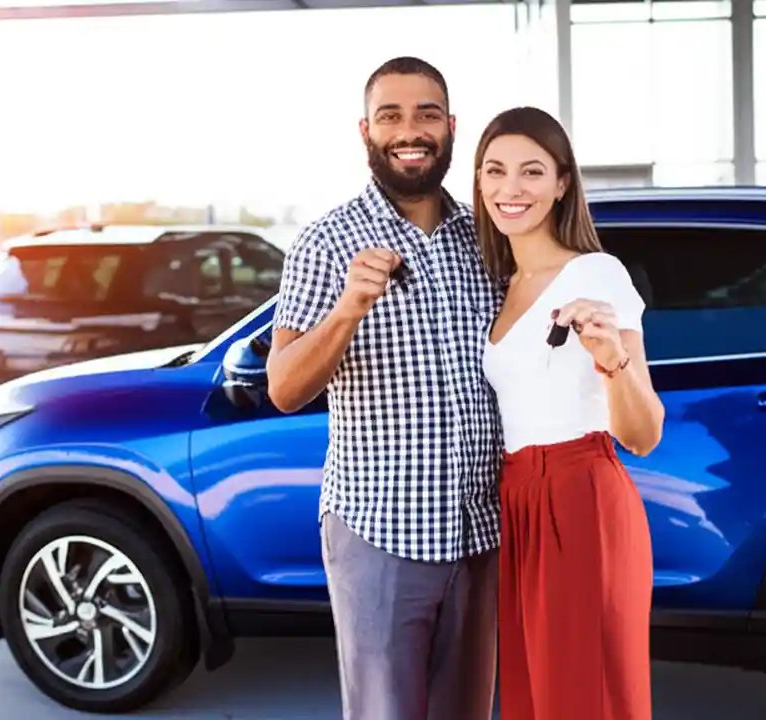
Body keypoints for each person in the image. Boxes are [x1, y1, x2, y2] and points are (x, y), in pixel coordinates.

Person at [266, 56, 501, 720]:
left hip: (481, 531)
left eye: (427, 114)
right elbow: (284, 386)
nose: (410, 130)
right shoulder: (326, 241)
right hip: (382, 533)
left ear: (451, 126)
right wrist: (346, 309)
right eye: (391, 115)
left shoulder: (486, 240)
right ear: (366, 130)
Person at [474, 106, 664, 720]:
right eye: (496, 170)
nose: (512, 188)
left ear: (562, 183)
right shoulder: (501, 285)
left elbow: (644, 433)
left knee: (587, 699)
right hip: (519, 501)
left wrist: (612, 358)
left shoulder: (595, 273)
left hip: (581, 494)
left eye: (532, 171)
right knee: (537, 698)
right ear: (479, 181)